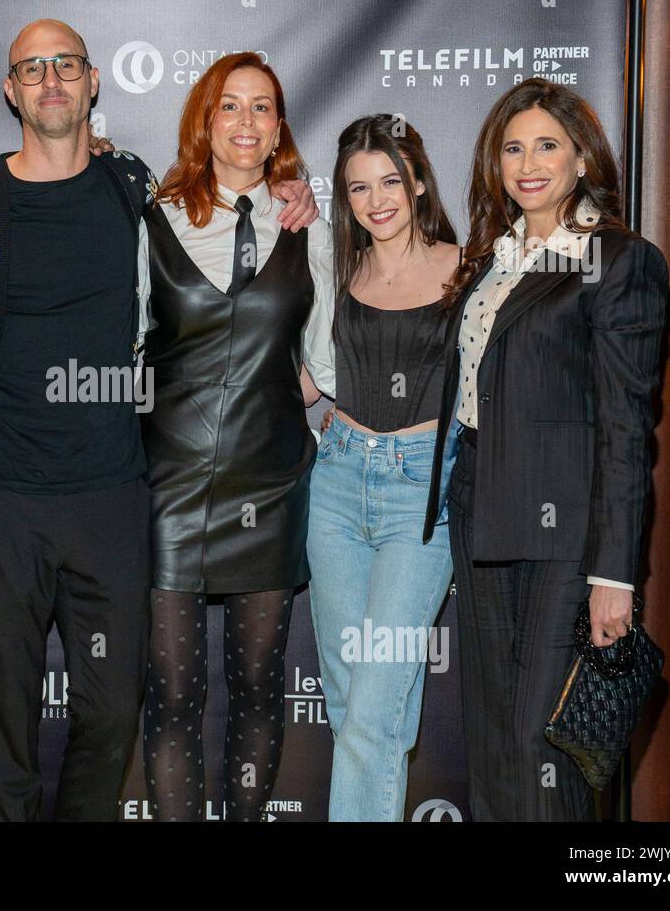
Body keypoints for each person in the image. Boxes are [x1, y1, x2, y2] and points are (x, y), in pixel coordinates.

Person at [0, 20, 317, 821]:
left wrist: (291, 191)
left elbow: (232, 204)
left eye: (66, 65)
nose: (50, 80)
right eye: (32, 68)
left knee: (113, 714)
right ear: (11, 90)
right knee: (6, 726)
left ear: (92, 82)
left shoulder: (134, 186)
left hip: (114, 496)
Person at [422, 78, 669, 821]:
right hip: (481, 516)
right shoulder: (496, 258)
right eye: (512, 147)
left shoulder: (617, 259)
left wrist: (614, 576)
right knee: (493, 741)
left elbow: (628, 428)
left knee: (543, 750)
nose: (528, 163)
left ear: (583, 158)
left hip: (567, 538)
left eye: (547, 145)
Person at [140, 52, 334, 821]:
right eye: (230, 106)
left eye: (263, 108)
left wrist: (278, 399)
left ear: (279, 127)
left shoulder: (304, 225)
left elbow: (323, 360)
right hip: (169, 489)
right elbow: (126, 352)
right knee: (174, 695)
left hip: (271, 484)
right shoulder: (152, 220)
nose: (247, 122)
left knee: (259, 688)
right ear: (204, 120)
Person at [305, 114, 459, 821]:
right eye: (358, 187)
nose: (376, 199)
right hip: (336, 483)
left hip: (420, 498)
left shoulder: (466, 270)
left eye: (390, 180)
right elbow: (310, 378)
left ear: (419, 182)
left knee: (373, 708)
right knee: (349, 704)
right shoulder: (339, 266)